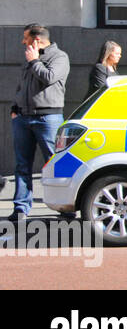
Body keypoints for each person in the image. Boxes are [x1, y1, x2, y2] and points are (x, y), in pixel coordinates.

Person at [9, 24, 69, 222]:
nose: (22, 42)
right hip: (23, 117)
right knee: (22, 164)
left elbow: (50, 78)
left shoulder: (59, 57)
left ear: (36, 39)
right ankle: (20, 208)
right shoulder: (29, 57)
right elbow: (21, 86)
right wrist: (14, 108)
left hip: (47, 118)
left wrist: (35, 61)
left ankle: (65, 207)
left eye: (25, 38)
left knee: (54, 162)